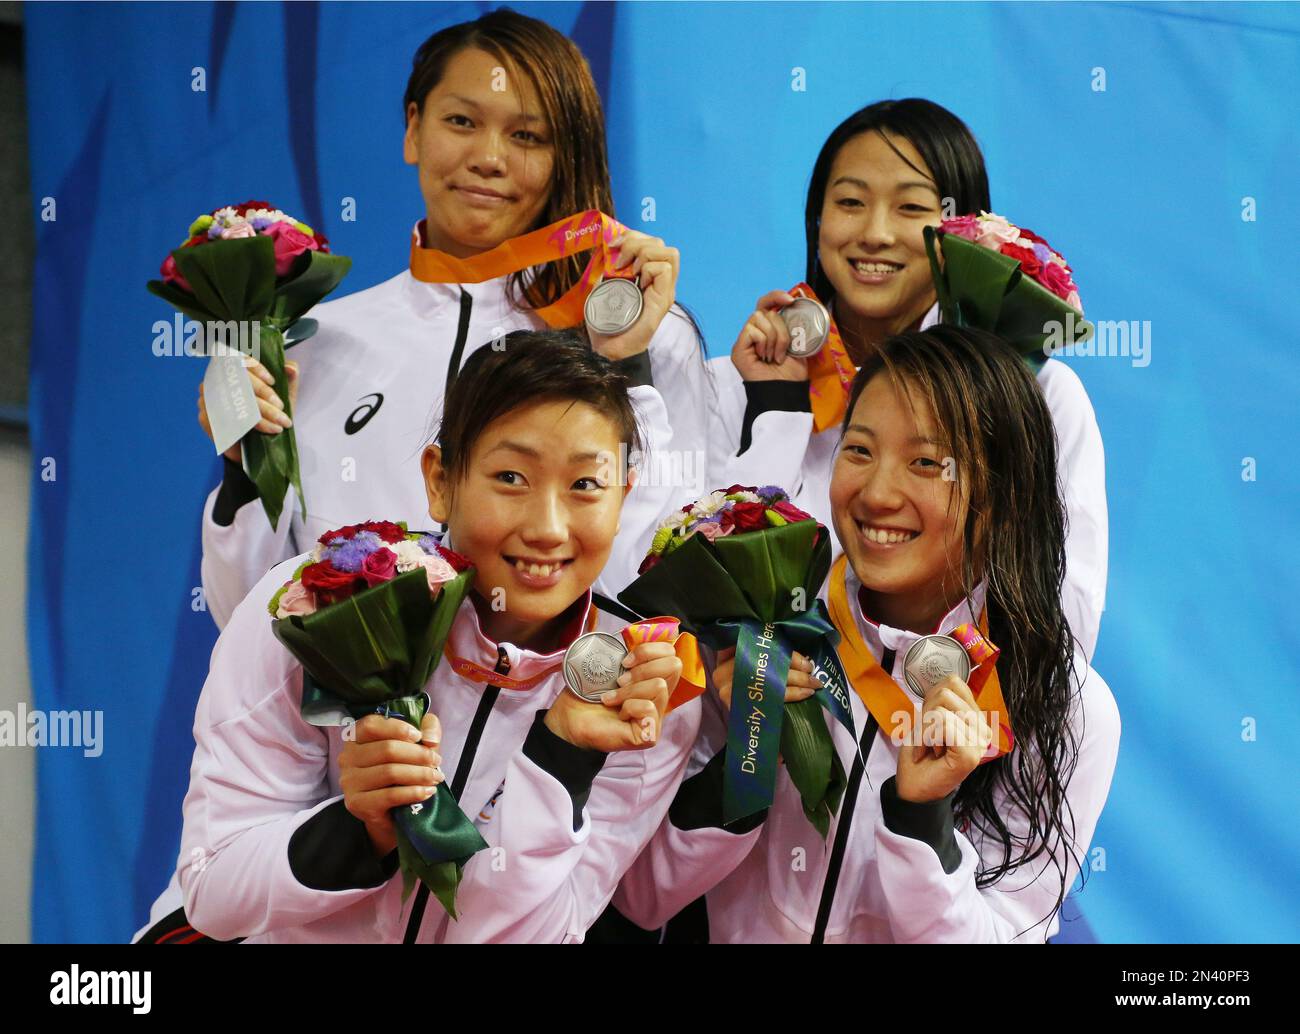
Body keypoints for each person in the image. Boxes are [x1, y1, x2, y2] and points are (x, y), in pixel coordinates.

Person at [163, 331, 700, 943]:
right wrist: (360, 828)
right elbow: (214, 889)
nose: (550, 529)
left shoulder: (645, 688)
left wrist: (565, 756)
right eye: (511, 477)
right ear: (441, 480)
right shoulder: (318, 602)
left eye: (585, 486)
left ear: (623, 497)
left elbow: (533, 934)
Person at [195, 9, 709, 629]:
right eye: (461, 122)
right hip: (350, 723)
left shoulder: (646, 334)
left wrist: (627, 362)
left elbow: (658, 583)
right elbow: (246, 616)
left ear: (565, 155)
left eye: (527, 136)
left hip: (559, 716)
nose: (488, 158)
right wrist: (244, 470)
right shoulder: (314, 343)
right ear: (414, 129)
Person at [614, 325, 1121, 942]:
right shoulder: (765, 626)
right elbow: (642, 898)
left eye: (927, 463)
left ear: (1007, 495)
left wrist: (923, 819)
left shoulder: (1063, 703)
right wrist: (745, 763)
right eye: (858, 450)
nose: (877, 493)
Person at [710, 99, 1107, 659]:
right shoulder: (734, 381)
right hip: (776, 716)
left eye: (910, 207)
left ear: (962, 233)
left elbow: (1067, 608)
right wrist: (773, 405)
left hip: (968, 723)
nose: (874, 234)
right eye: (849, 202)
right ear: (816, 219)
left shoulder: (1037, 395)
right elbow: (705, 587)